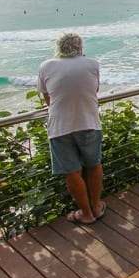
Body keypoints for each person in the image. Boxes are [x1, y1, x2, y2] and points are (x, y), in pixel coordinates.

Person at [37, 33, 105, 225]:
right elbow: (95, 90)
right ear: (80, 47)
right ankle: (97, 206)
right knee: (94, 164)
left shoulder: (46, 66)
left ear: (58, 47)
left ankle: (86, 213)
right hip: (89, 122)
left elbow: (48, 99)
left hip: (60, 126)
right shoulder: (92, 64)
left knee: (72, 171)